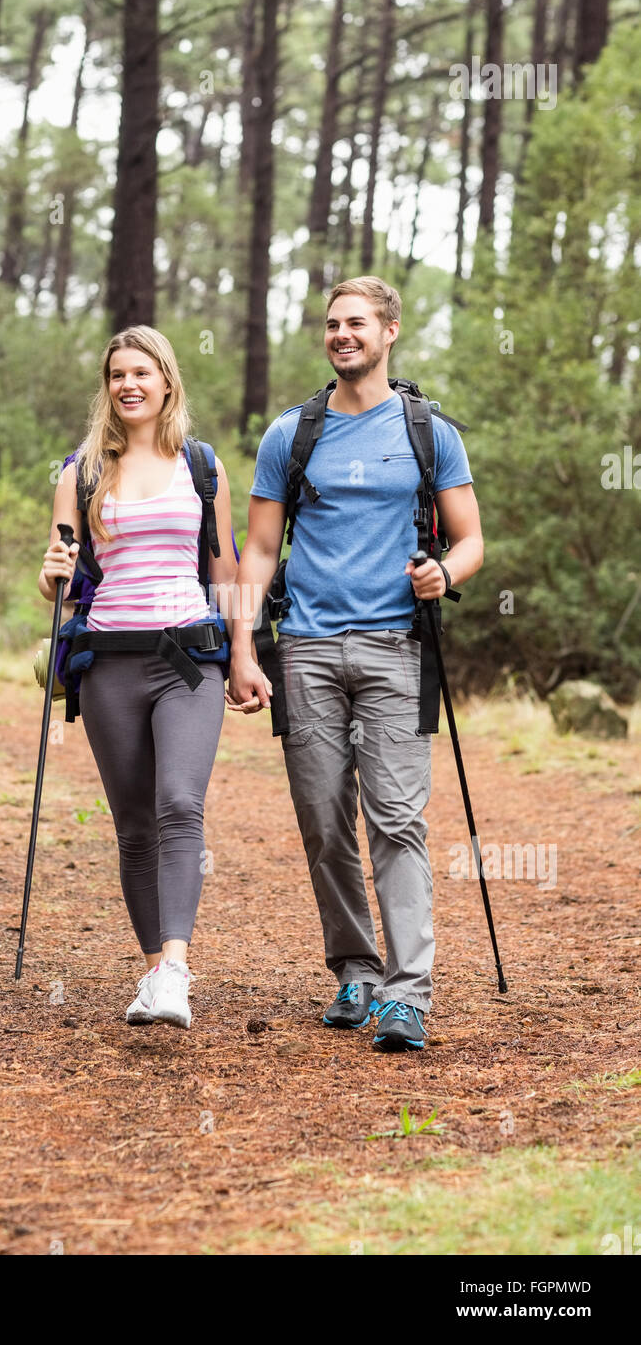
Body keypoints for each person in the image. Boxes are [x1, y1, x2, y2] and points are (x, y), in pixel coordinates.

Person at [229, 276, 484, 1053]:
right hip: (304, 649)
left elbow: (471, 539)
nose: (343, 335)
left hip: (398, 650)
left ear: (390, 331)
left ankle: (408, 995)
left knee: (398, 820)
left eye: (358, 324)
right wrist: (242, 646)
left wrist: (447, 573)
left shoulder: (427, 431)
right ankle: (356, 971)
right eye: (334, 325)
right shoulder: (292, 435)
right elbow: (261, 550)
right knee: (322, 820)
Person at [39, 326, 239, 1030]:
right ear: (109, 386)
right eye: (118, 374)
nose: (129, 384)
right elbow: (59, 571)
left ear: (166, 382)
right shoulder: (83, 471)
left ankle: (177, 970)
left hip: (187, 659)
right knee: (132, 826)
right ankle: (154, 968)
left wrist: (242, 657)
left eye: (142, 373)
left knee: (180, 804)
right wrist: (50, 574)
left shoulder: (202, 467)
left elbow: (226, 574)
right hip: (108, 663)